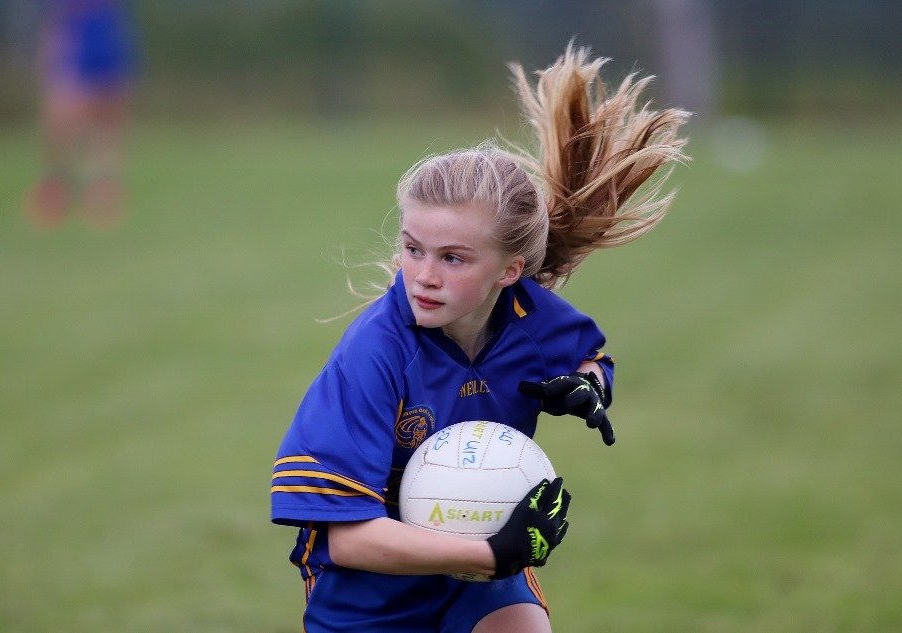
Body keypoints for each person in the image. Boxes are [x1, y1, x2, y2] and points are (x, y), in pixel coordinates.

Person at [271, 43, 689, 633]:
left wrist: (589, 388)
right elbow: (348, 541)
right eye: (413, 249)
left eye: (453, 258)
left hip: (480, 579)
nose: (424, 275)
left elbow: (590, 359)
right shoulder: (374, 353)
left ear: (510, 270)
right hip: (369, 593)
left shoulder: (530, 315)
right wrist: (492, 553)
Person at [25, 0, 139, 230]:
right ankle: (56, 188)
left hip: (108, 26)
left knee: (108, 116)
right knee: (64, 112)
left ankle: (101, 190)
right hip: (74, 28)